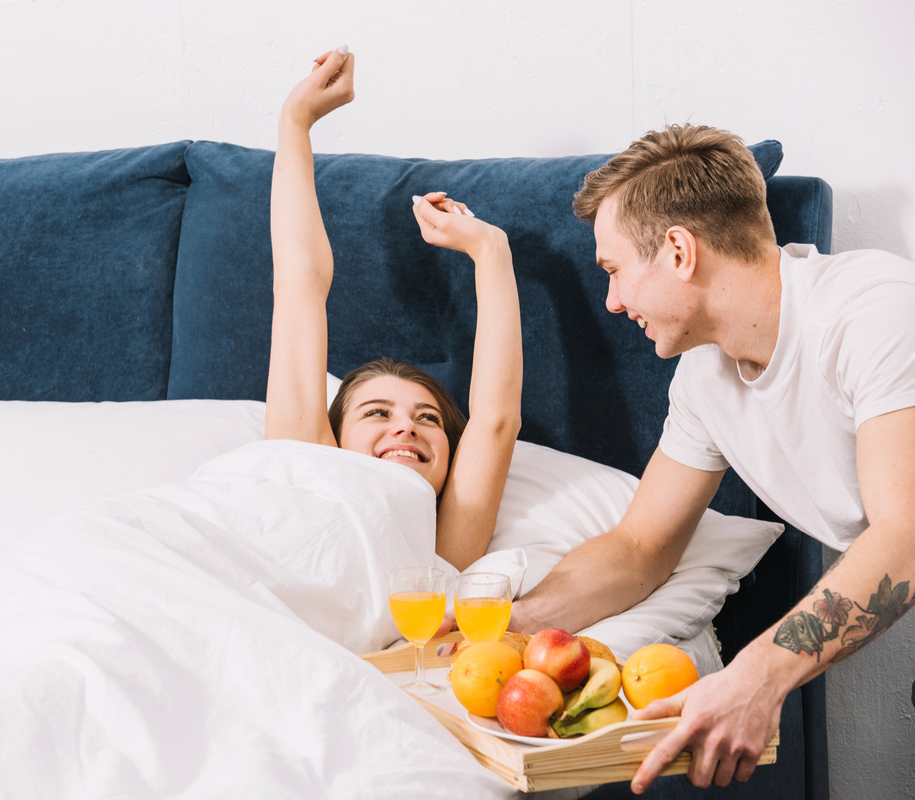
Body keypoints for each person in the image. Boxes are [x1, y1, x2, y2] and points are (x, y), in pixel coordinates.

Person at [509, 122, 915, 793]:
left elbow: (904, 534)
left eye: (613, 271)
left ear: (676, 251)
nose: (611, 301)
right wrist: (508, 628)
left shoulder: (871, 309)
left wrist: (753, 678)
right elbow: (640, 546)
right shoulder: (704, 377)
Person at [266, 45, 523, 572]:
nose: (406, 428)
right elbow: (298, 284)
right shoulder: (307, 461)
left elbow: (495, 420)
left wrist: (490, 248)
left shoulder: (443, 548)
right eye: (377, 413)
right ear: (332, 437)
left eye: (428, 418)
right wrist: (295, 123)